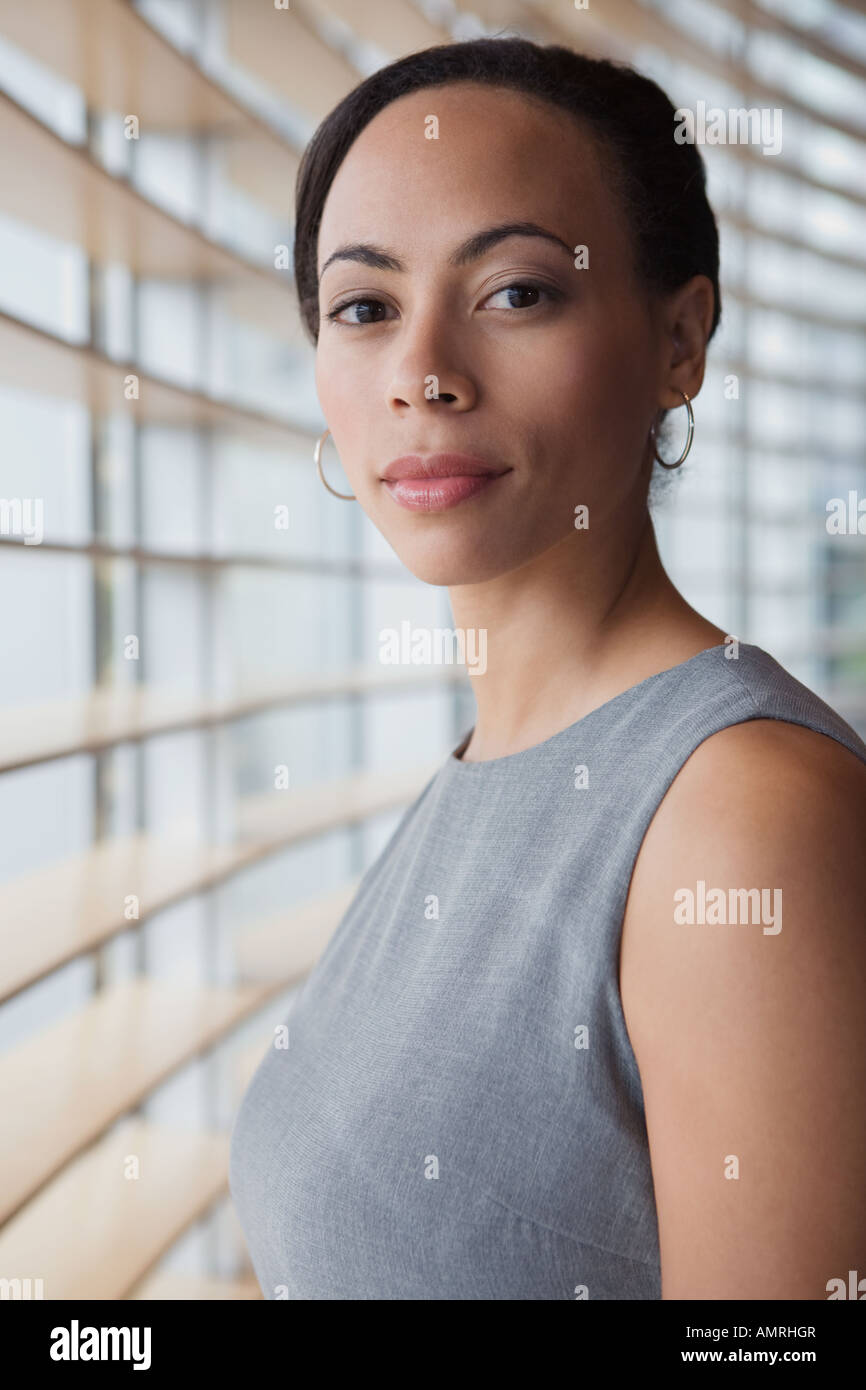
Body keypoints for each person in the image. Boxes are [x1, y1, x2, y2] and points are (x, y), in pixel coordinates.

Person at [229, 37, 866, 1300]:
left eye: (515, 291)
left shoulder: (740, 819)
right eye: (364, 307)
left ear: (678, 339)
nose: (421, 374)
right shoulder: (483, 770)